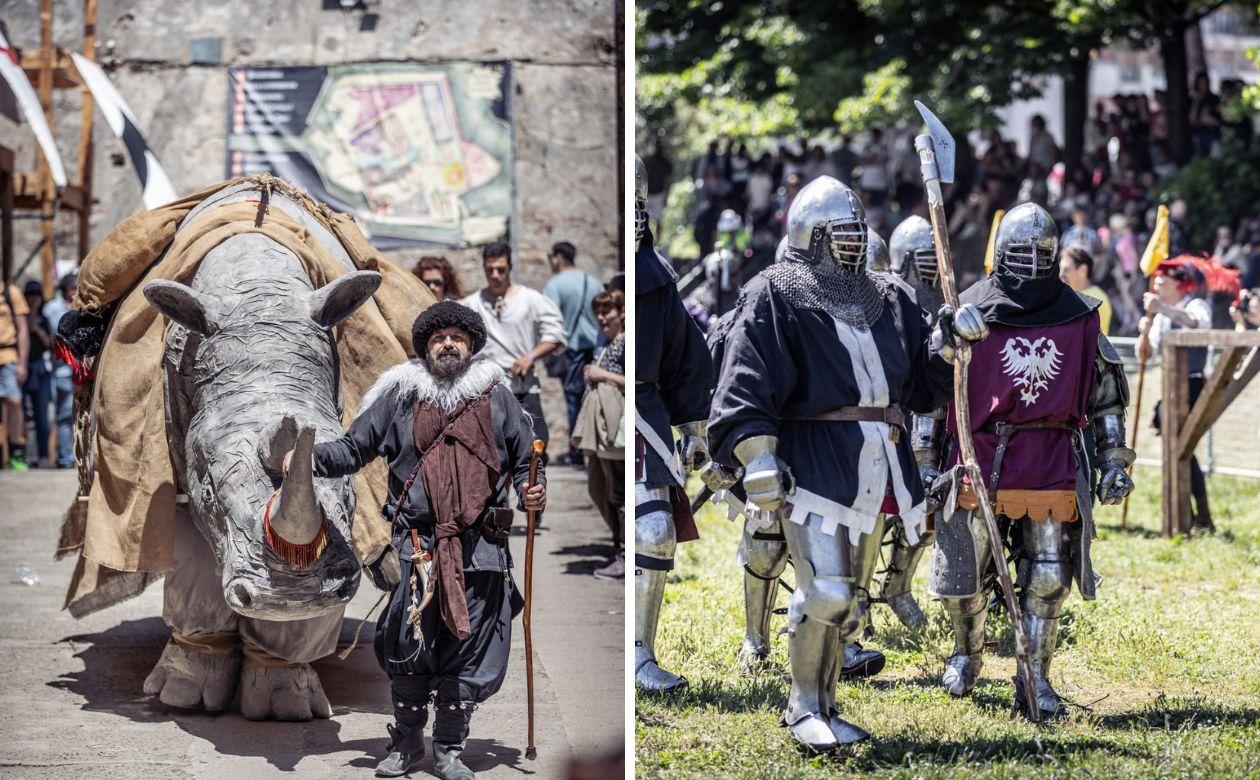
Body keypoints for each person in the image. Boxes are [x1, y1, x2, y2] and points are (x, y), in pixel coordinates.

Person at [708, 176, 963, 750]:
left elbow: (922, 389)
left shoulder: (891, 297)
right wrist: (758, 455)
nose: (855, 239)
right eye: (842, 231)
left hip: (880, 462)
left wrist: (947, 344)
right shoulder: (774, 292)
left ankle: (825, 704)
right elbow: (745, 386)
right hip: (814, 463)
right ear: (814, 234)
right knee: (827, 593)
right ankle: (801, 708)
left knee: (849, 602)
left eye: (858, 230)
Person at [294, 301, 547, 780]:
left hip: (481, 549)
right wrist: (308, 459)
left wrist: (535, 490)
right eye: (438, 337)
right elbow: (354, 448)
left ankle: (449, 748)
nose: (448, 343)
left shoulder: (497, 397)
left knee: (467, 648)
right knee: (412, 644)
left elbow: (526, 462)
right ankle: (407, 744)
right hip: (420, 548)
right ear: (425, 347)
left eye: (457, 336)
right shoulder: (400, 397)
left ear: (471, 346)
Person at [928, 202, 1135, 721]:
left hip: (1049, 456)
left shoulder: (1079, 316)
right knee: (964, 575)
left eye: (1042, 254)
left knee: (1048, 576)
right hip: (979, 454)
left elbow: (1105, 393)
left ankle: (1035, 677)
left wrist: (1113, 459)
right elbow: (930, 391)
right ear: (1000, 253)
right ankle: (966, 651)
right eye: (1020, 252)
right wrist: (948, 337)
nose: (1030, 262)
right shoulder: (969, 307)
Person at [634, 155, 714, 693]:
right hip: (607, 411)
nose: (635, 215)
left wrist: (695, 430)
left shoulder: (658, 274)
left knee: (656, 534)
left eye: (639, 204)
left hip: (649, 412)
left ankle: (641, 654)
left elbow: (684, 354)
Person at [460, 242, 565, 452]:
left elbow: (556, 336)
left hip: (523, 386)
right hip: (487, 389)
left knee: (536, 446)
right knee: (492, 451)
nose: (495, 275)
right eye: (490, 270)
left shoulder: (531, 299)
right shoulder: (472, 304)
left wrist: (530, 357)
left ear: (510, 266)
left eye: (501, 269)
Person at [1142, 259, 1214, 532]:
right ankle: (1191, 515)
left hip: (1194, 385)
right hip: (1170, 387)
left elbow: (1195, 323)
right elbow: (1146, 356)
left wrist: (1161, 310)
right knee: (1180, 451)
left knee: (1183, 450)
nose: (1157, 287)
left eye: (1162, 283)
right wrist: (1146, 332)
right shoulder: (1160, 316)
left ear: (1179, 286)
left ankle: (1199, 515)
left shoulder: (1196, 305)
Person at [574, 289, 626, 580]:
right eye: (599, 313)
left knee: (616, 492)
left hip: (614, 428)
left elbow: (636, 381)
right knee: (599, 488)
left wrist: (601, 375)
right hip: (599, 428)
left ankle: (622, 553)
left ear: (622, 312)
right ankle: (618, 545)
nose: (602, 318)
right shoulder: (606, 343)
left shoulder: (626, 343)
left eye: (607, 311)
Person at [543, 241, 602, 467]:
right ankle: (591, 449)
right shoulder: (593, 283)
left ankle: (576, 451)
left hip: (572, 351)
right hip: (597, 350)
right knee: (594, 399)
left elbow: (551, 319)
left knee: (573, 401)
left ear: (558, 257)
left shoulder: (555, 285)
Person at [43, 273, 77, 468]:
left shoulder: (83, 306)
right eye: (71, 287)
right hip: (63, 370)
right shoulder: (52, 309)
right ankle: (65, 459)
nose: (74, 291)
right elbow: (59, 334)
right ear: (64, 288)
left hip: (83, 369)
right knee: (64, 414)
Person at [21, 281, 54, 468]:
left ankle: (43, 456)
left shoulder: (44, 319)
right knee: (26, 417)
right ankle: (28, 456)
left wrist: (36, 329)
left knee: (42, 416)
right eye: (30, 295)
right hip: (25, 370)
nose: (34, 299)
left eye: (37, 295)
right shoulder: (20, 319)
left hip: (41, 371)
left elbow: (51, 344)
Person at [0, 279, 30, 470]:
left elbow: (23, 330)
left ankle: (16, 449)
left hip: (9, 355)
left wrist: (22, 364)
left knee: (14, 401)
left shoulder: (11, 293)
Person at [1059, 246, 1114, 334]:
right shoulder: (1065, 295)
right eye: (1060, 269)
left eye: (1066, 270)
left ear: (1082, 270)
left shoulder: (1096, 299)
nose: (1061, 274)